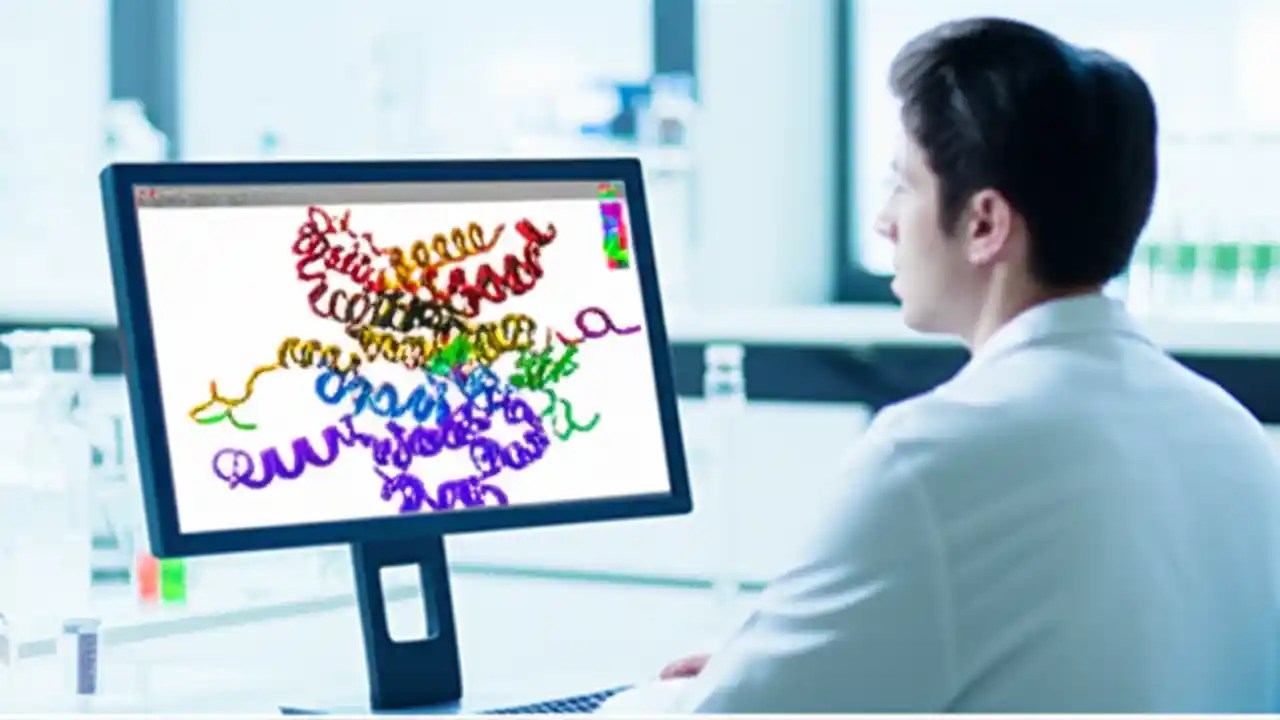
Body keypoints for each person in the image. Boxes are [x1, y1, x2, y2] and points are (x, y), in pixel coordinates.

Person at [637, 15, 1280, 713]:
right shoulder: (1235, 435)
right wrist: (791, 663)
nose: (884, 221)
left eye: (902, 185)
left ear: (984, 224)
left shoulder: (929, 458)